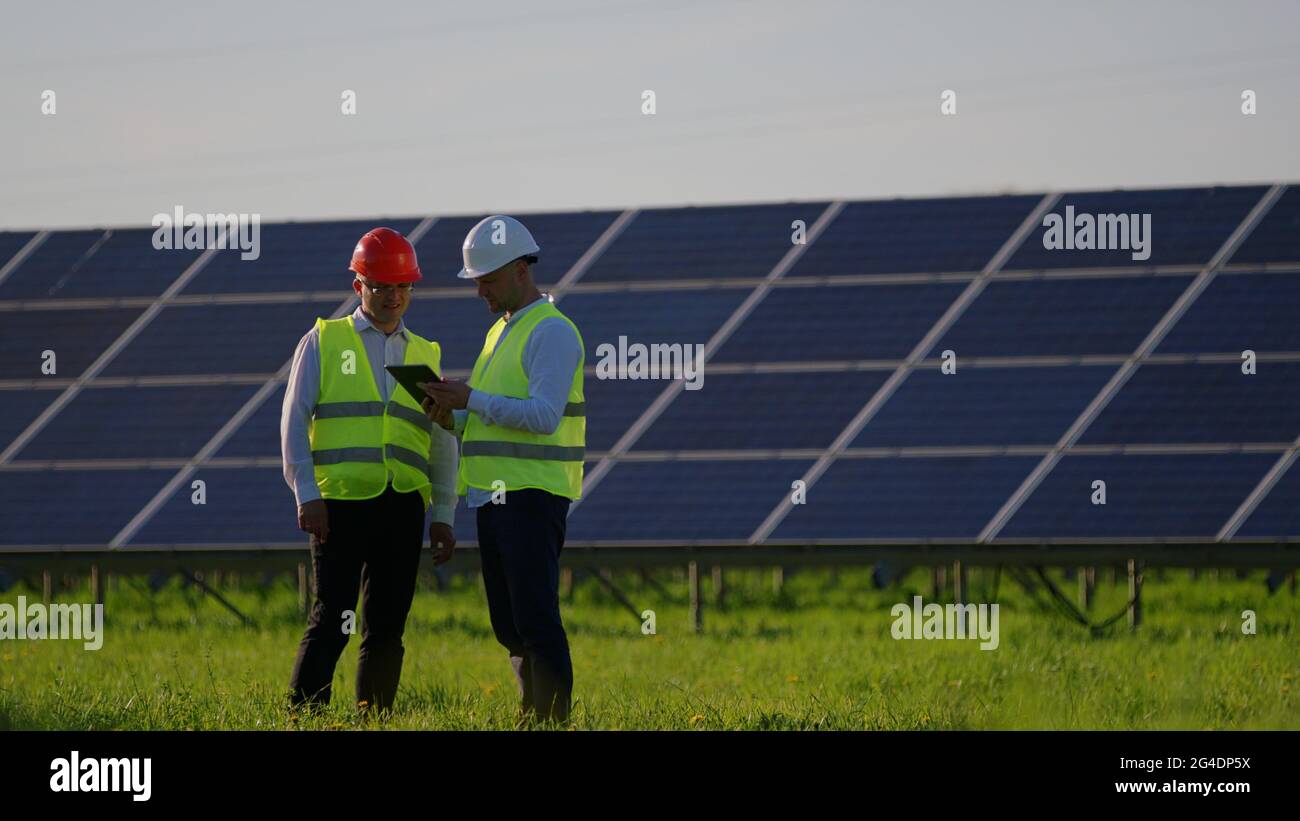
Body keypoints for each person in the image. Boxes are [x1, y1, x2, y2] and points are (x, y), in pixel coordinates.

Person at [281, 226, 458, 713]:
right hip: (338, 505)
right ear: (358, 286)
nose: (394, 297)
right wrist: (306, 494)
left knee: (387, 623)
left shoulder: (425, 353)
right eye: (382, 286)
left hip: (401, 504)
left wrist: (443, 511)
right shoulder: (323, 340)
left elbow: (442, 441)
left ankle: (373, 717)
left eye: (403, 287)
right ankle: (304, 715)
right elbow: (294, 419)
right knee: (332, 614)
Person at [421, 215, 585, 725]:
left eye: (486, 281)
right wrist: (455, 417)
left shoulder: (552, 332)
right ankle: (532, 714)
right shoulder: (501, 332)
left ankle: (551, 719)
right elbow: (493, 420)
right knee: (510, 625)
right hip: (494, 499)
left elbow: (542, 415)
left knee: (535, 621)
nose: (480, 293)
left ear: (519, 270)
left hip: (532, 496)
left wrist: (472, 398)